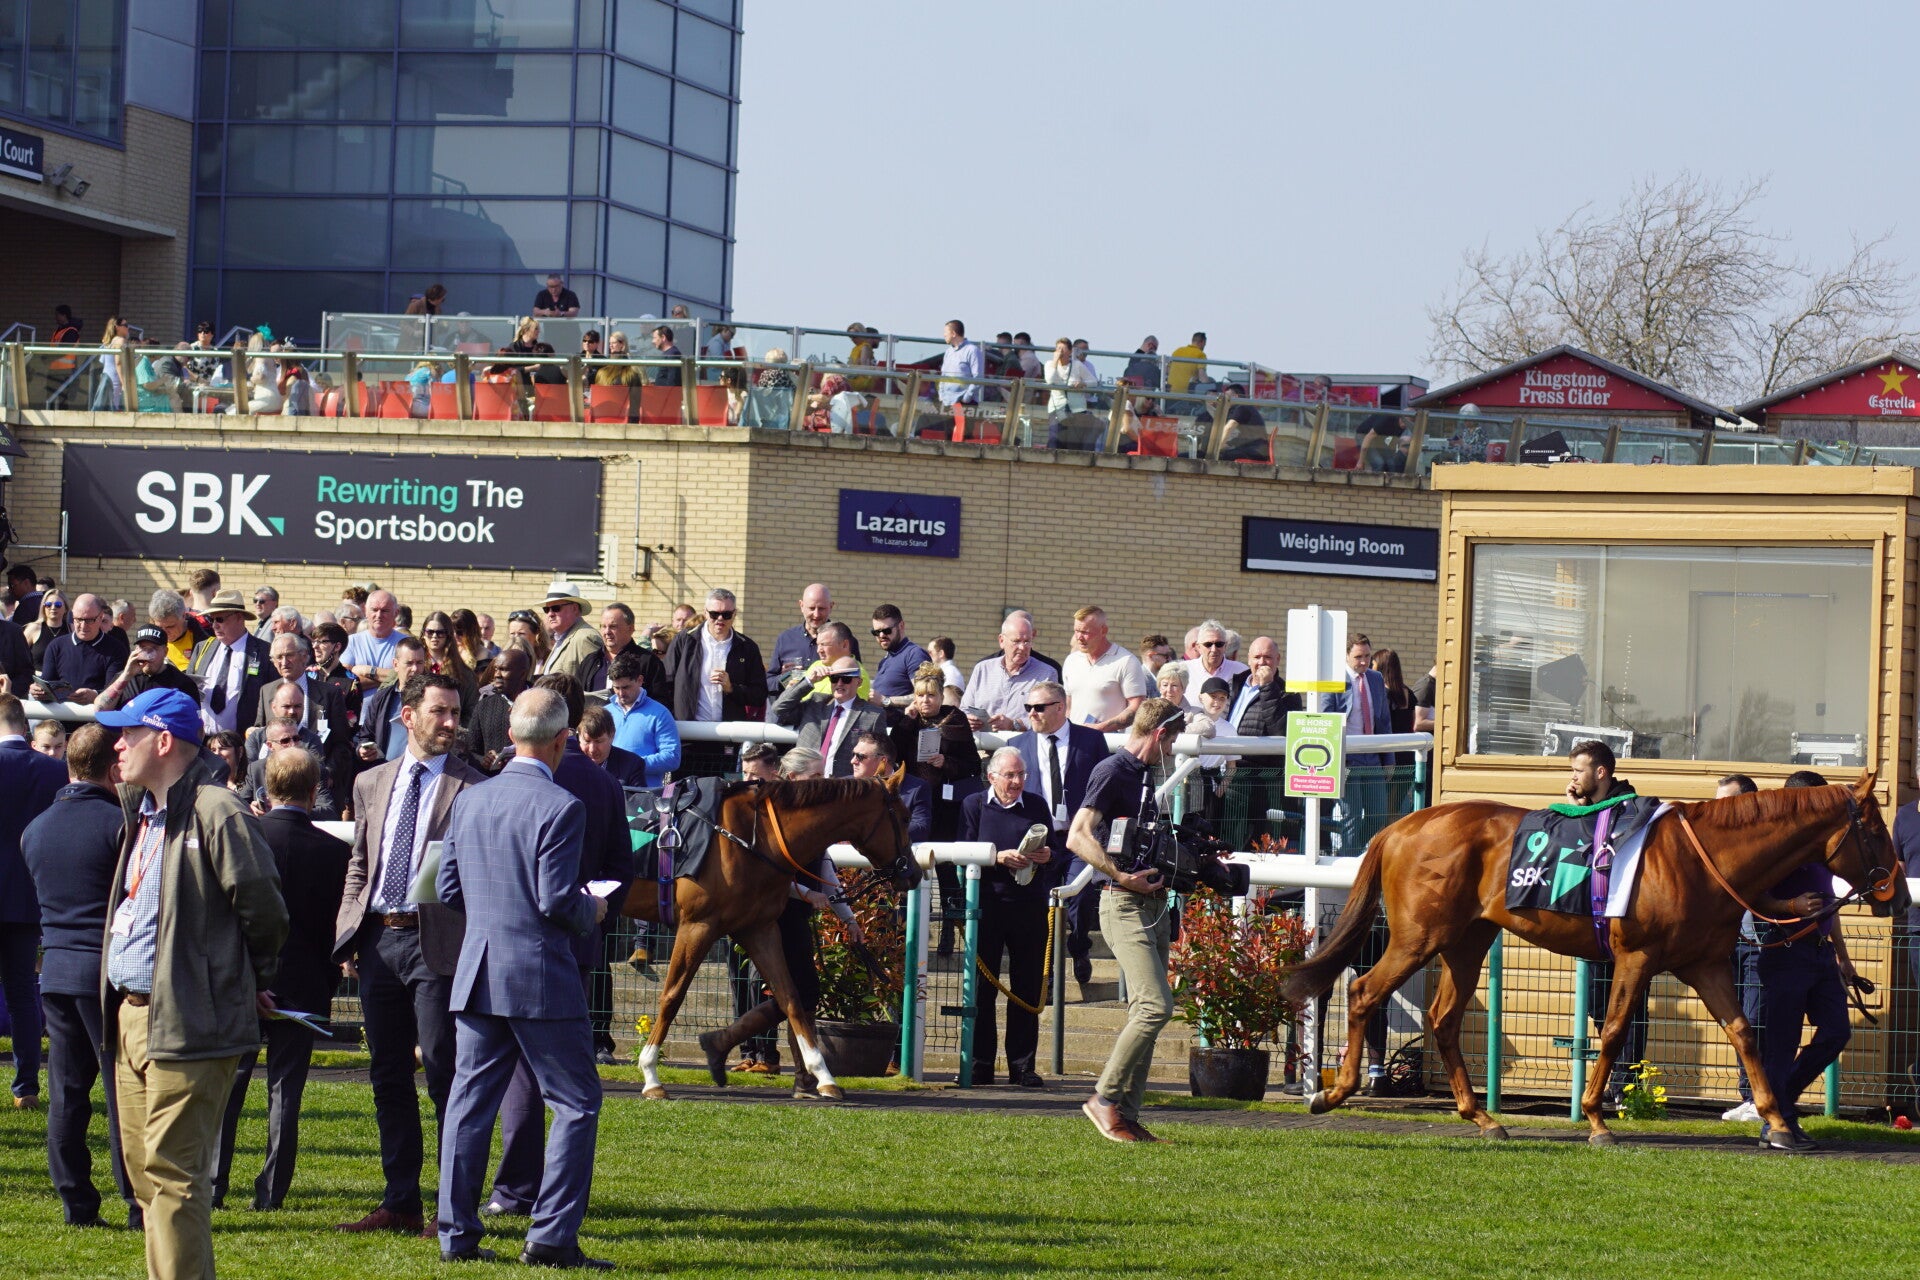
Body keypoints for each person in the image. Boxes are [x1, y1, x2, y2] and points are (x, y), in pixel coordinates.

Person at [94, 687, 289, 1279]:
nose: (117, 743)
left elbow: (265, 911)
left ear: (163, 741)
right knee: (146, 1177)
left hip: (190, 1018)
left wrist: (245, 978)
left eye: (127, 732)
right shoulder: (143, 810)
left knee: (172, 1173)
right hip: (131, 1018)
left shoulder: (216, 810)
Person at [435, 687, 612, 1269]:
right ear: (563, 740)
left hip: (479, 971)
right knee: (577, 1103)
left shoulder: (469, 801)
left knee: (468, 1107)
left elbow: (448, 890)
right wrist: (594, 909)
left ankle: (456, 1235)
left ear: (509, 736)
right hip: (539, 976)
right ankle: (551, 1237)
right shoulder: (562, 807)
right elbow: (558, 901)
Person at [334, 673, 485, 1237]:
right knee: (387, 1075)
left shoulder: (474, 787)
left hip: (438, 947)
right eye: (440, 712)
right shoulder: (371, 782)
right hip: (378, 943)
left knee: (445, 1075)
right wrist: (349, 930)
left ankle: (452, 1209)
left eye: (455, 712)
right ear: (408, 717)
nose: (450, 722)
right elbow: (360, 862)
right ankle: (400, 1202)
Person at [211, 747, 349, 1212]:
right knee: (286, 1093)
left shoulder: (247, 839)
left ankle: (213, 1183)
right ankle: (271, 1193)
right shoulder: (336, 852)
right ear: (315, 792)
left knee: (230, 1085)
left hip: (244, 980)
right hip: (306, 983)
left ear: (266, 790)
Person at [20, 722, 141, 1227]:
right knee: (122, 1093)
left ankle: (76, 1202)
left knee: (67, 1093)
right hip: (104, 972)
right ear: (113, 768)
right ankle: (137, 1202)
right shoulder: (122, 825)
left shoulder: (37, 828)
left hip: (56, 970)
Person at [1071, 699, 1188, 1143]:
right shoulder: (1113, 770)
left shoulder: (1141, 776)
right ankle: (1103, 1099)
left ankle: (1128, 1116)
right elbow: (1077, 835)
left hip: (1152, 907)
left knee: (1149, 1011)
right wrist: (1120, 875)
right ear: (1159, 734)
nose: (1174, 748)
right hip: (1122, 904)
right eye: (1173, 739)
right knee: (1156, 1006)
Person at [1745, 769, 1858, 1152]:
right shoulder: (1773, 844)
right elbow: (1752, 895)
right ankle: (1777, 1124)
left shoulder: (1819, 845)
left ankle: (1780, 1106)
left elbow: (1830, 905)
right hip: (1786, 951)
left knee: (1837, 1032)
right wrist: (1789, 906)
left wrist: (1842, 957)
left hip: (1821, 954)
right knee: (1781, 1042)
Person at [1562, 740, 1652, 1113]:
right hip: (1594, 930)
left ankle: (1626, 1088)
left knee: (1628, 1010)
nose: (1572, 778)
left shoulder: (1629, 809)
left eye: (1578, 771)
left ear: (1601, 773)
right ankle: (1614, 1083)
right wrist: (1574, 811)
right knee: (1601, 1009)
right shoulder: (1585, 806)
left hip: (1625, 929)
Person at [960, 748, 1055, 1087]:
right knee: (982, 988)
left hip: (1029, 907)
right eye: (1010, 776)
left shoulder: (1036, 806)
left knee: (1027, 988)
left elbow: (1054, 850)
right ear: (992, 776)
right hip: (987, 907)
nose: (1017, 782)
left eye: (1021, 775)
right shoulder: (973, 805)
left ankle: (1022, 1067)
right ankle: (980, 1065)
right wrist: (997, 857)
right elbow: (963, 849)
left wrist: (1044, 855)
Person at [1008, 679, 1110, 986]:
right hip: (1041, 840)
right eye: (1028, 708)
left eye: (1039, 708)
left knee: (1079, 900)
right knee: (1042, 906)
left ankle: (1079, 947)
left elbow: (1106, 786)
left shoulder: (1089, 741)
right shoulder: (1018, 744)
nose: (1032, 714)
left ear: (1060, 707)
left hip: (1079, 838)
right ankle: (1048, 973)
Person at [3, 690, 70, 1110]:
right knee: (23, 992)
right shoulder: (53, 771)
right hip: (28, 893)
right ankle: (26, 1084)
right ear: (23, 727)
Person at [890, 663, 981, 954]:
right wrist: (906, 722)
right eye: (920, 695)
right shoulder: (909, 721)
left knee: (945, 871)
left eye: (931, 695)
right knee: (914, 865)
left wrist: (946, 763)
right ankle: (915, 933)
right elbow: (893, 754)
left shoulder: (956, 720)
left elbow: (972, 765)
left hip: (944, 805)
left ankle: (950, 934)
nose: (925, 701)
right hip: (914, 805)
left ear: (941, 695)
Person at [664, 588, 767, 776]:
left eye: (726, 614)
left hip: (725, 740)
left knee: (720, 795)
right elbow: (666, 685)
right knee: (682, 793)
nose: (720, 619)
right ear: (705, 613)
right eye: (714, 614)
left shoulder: (747, 647)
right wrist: (674, 719)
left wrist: (731, 688)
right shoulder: (684, 640)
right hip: (688, 735)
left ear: (734, 614)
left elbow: (759, 694)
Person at [1326, 632, 1391, 855]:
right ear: (1346, 656)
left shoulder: (1375, 678)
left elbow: (1383, 720)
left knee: (1378, 815)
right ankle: (1346, 861)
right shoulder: (1334, 680)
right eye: (1357, 657)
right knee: (1350, 816)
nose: (1363, 661)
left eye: (1366, 656)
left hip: (1371, 757)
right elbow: (1326, 717)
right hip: (1346, 760)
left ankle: (1350, 853)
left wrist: (1388, 759)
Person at [772, 655, 885, 777]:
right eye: (834, 678)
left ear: (859, 682)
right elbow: (779, 708)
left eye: (846, 679)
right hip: (806, 781)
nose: (839, 683)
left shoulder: (873, 715)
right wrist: (809, 681)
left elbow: (879, 757)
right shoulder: (816, 702)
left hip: (843, 786)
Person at [963, 613, 1060, 732]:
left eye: (1027, 641)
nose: (1022, 647)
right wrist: (968, 720)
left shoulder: (1046, 674)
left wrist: (1014, 724)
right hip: (982, 746)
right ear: (1001, 641)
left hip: (1022, 747)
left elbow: (1051, 716)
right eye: (1016, 641)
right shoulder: (983, 669)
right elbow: (964, 709)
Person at [1062, 606, 1151, 732]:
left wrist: (1101, 728)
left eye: (1085, 632)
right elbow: (1068, 706)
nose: (1079, 637)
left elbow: (1137, 706)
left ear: (1103, 630)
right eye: (1076, 631)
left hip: (1109, 743)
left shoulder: (1126, 661)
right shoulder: (1071, 661)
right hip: (1075, 742)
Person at [33, 593, 130, 707]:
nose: (83, 626)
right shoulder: (56, 646)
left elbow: (115, 693)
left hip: (95, 721)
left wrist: (95, 695)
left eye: (89, 620)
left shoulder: (116, 650)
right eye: (78, 620)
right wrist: (39, 691)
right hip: (61, 718)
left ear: (100, 617)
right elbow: (47, 687)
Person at [602, 651, 680, 786]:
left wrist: (633, 764)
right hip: (609, 791)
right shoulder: (605, 712)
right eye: (616, 688)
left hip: (643, 796)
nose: (621, 693)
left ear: (640, 680)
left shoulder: (660, 713)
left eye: (626, 687)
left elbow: (672, 758)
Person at [768, 583, 859, 695]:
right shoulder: (786, 638)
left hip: (827, 710)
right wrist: (784, 679)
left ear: (831, 606)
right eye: (811, 608)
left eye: (821, 608)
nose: (816, 614)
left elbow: (855, 680)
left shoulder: (845, 641)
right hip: (790, 710)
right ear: (801, 606)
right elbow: (768, 682)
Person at [583, 602, 666, 701]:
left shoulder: (649, 662)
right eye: (603, 626)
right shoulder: (590, 661)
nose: (607, 632)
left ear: (630, 628)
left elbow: (659, 703)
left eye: (613, 626)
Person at [467, 646, 532, 773]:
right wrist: (483, 760)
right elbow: (471, 750)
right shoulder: (484, 706)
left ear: (522, 673)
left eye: (504, 669)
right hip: (492, 782)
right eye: (496, 669)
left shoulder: (540, 704)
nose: (497, 674)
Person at [534, 585, 604, 689]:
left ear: (575, 608)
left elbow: (595, 685)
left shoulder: (586, 637)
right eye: (546, 609)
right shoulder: (560, 638)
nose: (550, 614)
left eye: (556, 608)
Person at [868, 603, 931, 709]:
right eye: (876, 632)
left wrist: (886, 701)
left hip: (900, 724)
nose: (881, 635)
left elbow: (926, 696)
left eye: (887, 631)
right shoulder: (885, 660)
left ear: (901, 626)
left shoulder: (915, 655)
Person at [1040, 337, 1099, 447]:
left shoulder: (1077, 365)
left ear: (1070, 351)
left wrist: (1083, 384)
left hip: (1077, 410)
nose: (1060, 352)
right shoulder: (1049, 364)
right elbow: (1050, 380)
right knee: (1054, 440)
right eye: (1057, 349)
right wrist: (1055, 362)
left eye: (1063, 349)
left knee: (1073, 444)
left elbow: (1094, 382)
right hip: (1057, 408)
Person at [419, 612, 479, 717]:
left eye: (440, 633)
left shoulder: (463, 672)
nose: (434, 636)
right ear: (423, 634)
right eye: (430, 632)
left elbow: (471, 711)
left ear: (448, 635)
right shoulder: (415, 665)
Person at [577, 707, 647, 789]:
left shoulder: (632, 765)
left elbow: (638, 800)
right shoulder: (568, 763)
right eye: (587, 741)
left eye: (598, 741)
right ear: (579, 737)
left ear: (612, 735)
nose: (592, 749)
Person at [938, 319, 984, 424]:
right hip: (947, 403)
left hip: (964, 404)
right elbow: (943, 375)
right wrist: (941, 396)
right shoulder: (948, 352)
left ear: (953, 333)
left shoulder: (972, 350)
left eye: (946, 332)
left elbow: (978, 377)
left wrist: (966, 398)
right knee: (948, 438)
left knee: (963, 438)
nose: (944, 335)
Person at [23, 589, 71, 668]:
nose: (53, 608)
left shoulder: (71, 629)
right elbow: (19, 655)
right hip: (37, 678)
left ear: (65, 608)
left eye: (58, 604)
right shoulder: (33, 629)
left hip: (64, 679)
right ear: (43, 607)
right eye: (48, 604)